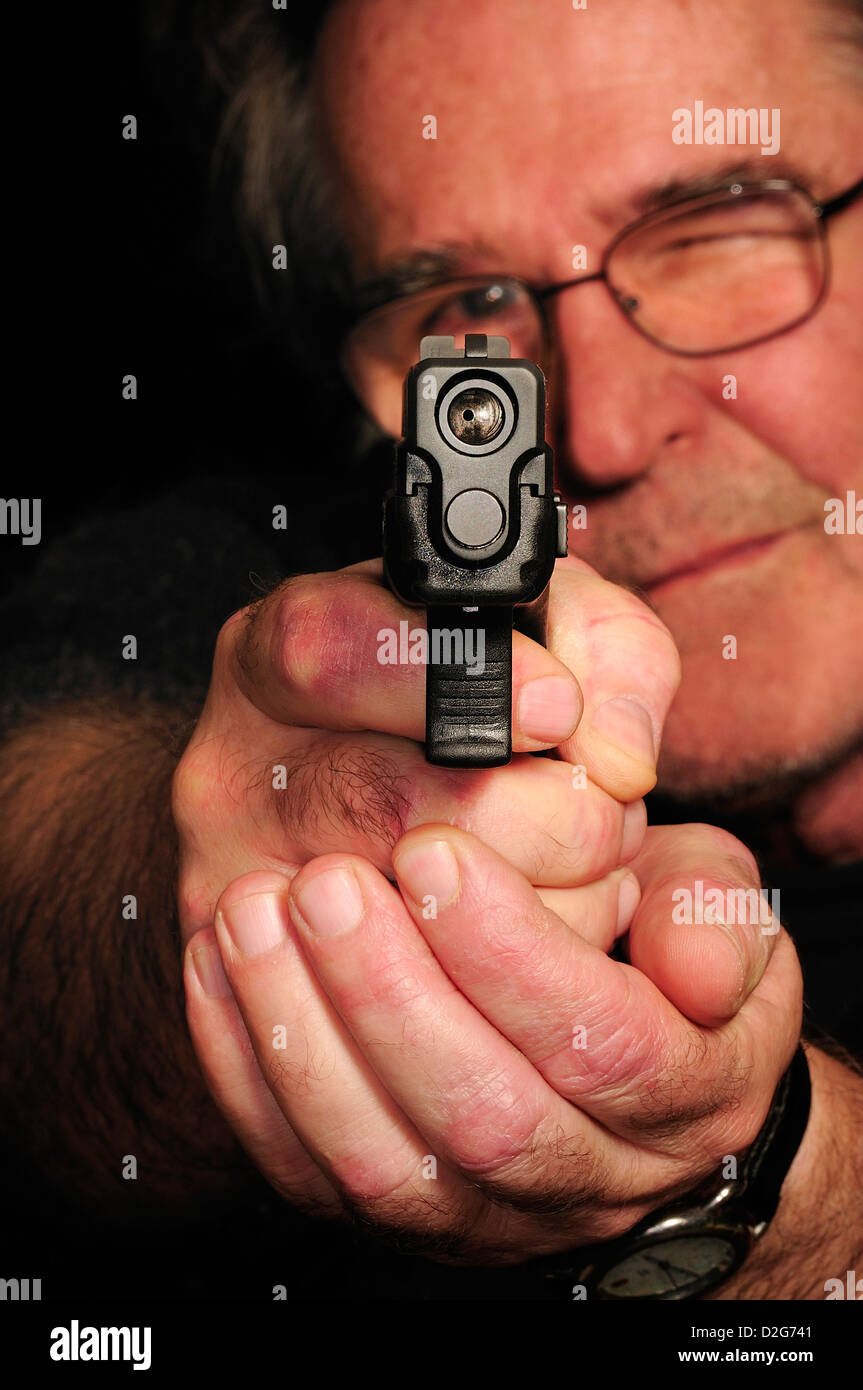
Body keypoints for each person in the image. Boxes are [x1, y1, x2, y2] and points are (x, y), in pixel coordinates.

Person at [1, 0, 860, 1302]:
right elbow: (36, 846)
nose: (606, 428)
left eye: (713, 228)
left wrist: (810, 1192)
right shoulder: (257, 563)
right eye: (467, 304)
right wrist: (226, 871)